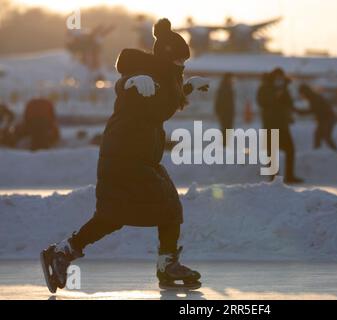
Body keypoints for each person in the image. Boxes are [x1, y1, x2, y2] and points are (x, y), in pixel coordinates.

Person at [40, 18, 210, 293]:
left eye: (184, 60)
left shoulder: (164, 77)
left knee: (114, 216)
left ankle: (64, 252)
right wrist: (131, 82)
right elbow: (133, 93)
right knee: (163, 208)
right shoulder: (144, 76)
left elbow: (162, 105)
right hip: (125, 159)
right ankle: (166, 264)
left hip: (138, 159)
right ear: (167, 56)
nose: (182, 65)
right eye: (178, 59)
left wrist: (186, 88)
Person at [256, 68, 303, 184]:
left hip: (282, 124)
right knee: (272, 152)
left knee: (290, 150)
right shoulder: (264, 88)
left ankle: (290, 176)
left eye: (281, 78)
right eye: (277, 78)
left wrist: (290, 115)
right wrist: (275, 96)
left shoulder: (284, 89)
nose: (279, 80)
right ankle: (274, 178)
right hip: (270, 124)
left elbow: (288, 103)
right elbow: (261, 102)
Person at [297, 84, 337, 151]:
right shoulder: (313, 97)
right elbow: (314, 110)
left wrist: (301, 112)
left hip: (327, 118)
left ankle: (336, 152)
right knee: (320, 136)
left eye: (301, 93)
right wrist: (301, 112)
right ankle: (319, 151)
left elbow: (314, 110)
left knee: (324, 136)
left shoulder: (313, 98)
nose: (302, 96)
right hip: (326, 118)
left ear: (305, 92)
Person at [214, 73, 235, 142]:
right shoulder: (225, 88)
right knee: (226, 128)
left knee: (227, 128)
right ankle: (225, 143)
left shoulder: (227, 87)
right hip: (225, 112)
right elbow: (219, 101)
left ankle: (226, 143)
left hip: (227, 112)